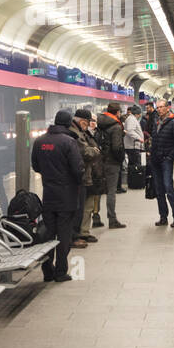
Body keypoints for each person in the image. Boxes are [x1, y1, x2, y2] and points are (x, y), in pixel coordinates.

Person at [31, 109, 83, 282]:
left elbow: (36, 166)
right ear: (69, 123)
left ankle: (48, 270)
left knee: (48, 234)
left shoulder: (40, 141)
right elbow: (77, 169)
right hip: (67, 196)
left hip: (48, 195)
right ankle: (60, 272)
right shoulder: (69, 142)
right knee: (64, 235)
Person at [149, 101, 174, 226]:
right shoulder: (156, 122)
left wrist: (170, 157)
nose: (159, 109)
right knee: (159, 190)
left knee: (169, 188)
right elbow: (154, 140)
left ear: (167, 108)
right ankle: (163, 217)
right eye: (157, 107)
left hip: (166, 160)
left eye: (161, 107)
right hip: (155, 160)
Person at [70, 109, 102, 246]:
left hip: (87, 174)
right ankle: (76, 235)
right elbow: (85, 152)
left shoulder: (81, 132)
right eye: (88, 122)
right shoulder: (75, 133)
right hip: (80, 175)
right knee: (79, 207)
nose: (89, 125)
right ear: (83, 121)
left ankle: (83, 233)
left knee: (86, 205)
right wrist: (94, 151)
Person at [96, 103, 128, 229]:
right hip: (112, 162)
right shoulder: (116, 126)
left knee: (98, 190)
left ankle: (96, 217)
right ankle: (112, 219)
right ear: (117, 112)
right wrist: (120, 158)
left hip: (100, 160)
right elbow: (116, 147)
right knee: (111, 191)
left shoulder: (101, 123)